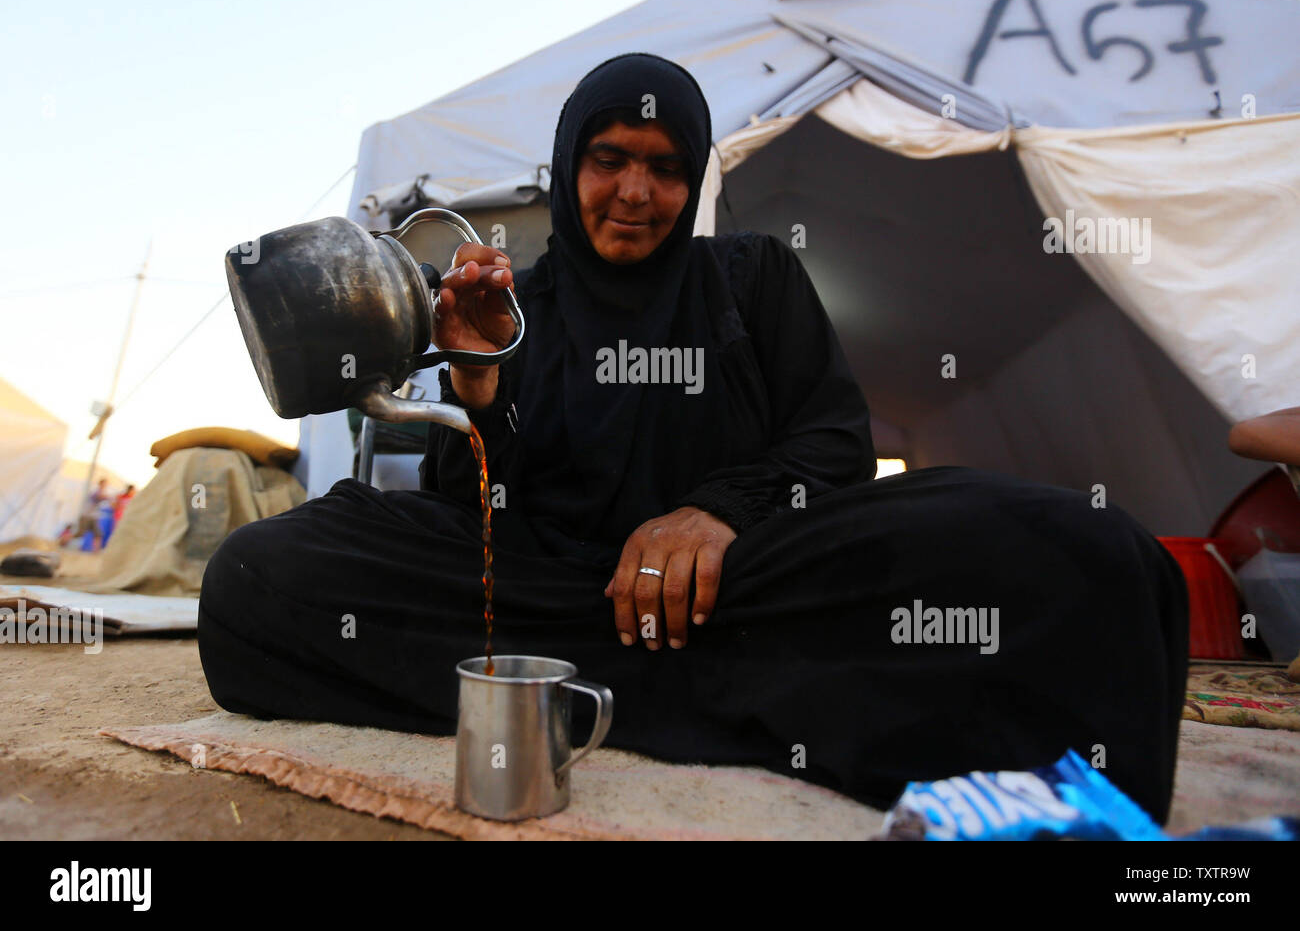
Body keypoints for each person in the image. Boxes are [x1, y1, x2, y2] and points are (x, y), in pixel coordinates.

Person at [198, 53, 1188, 822]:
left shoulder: (751, 279)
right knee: (258, 572)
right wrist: (480, 378)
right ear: (568, 164)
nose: (635, 193)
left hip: (748, 588)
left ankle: (559, 687)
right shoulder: (519, 304)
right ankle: (708, 685)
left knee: (1077, 549)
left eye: (666, 167)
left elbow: (834, 442)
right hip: (556, 590)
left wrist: (717, 512)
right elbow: (473, 518)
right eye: (610, 160)